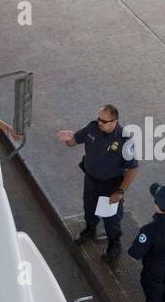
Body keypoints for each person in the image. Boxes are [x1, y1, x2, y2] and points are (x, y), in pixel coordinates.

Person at [57, 104, 138, 264]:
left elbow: (132, 169)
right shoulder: (92, 128)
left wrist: (120, 191)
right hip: (91, 181)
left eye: (104, 121)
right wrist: (67, 139)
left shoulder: (124, 140)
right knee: (89, 208)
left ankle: (114, 244)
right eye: (99, 119)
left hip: (111, 186)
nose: (100, 122)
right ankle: (90, 229)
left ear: (115, 121)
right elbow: (73, 141)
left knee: (111, 219)